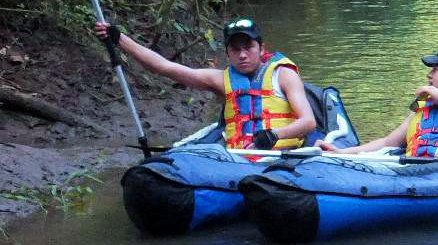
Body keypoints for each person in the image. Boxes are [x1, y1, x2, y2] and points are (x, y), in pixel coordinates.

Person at [93, 16, 315, 150]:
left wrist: (272, 136)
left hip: (281, 155)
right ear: (227, 53)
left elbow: (308, 122)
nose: (242, 55)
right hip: (240, 157)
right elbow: (164, 67)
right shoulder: (220, 80)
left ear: (261, 48)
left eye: (249, 47)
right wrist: (119, 39)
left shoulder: (283, 74)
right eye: (235, 49)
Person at [319, 44, 438, 159]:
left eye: (435, 70)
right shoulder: (423, 107)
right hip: (414, 171)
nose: (429, 75)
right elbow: (387, 143)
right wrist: (341, 152)